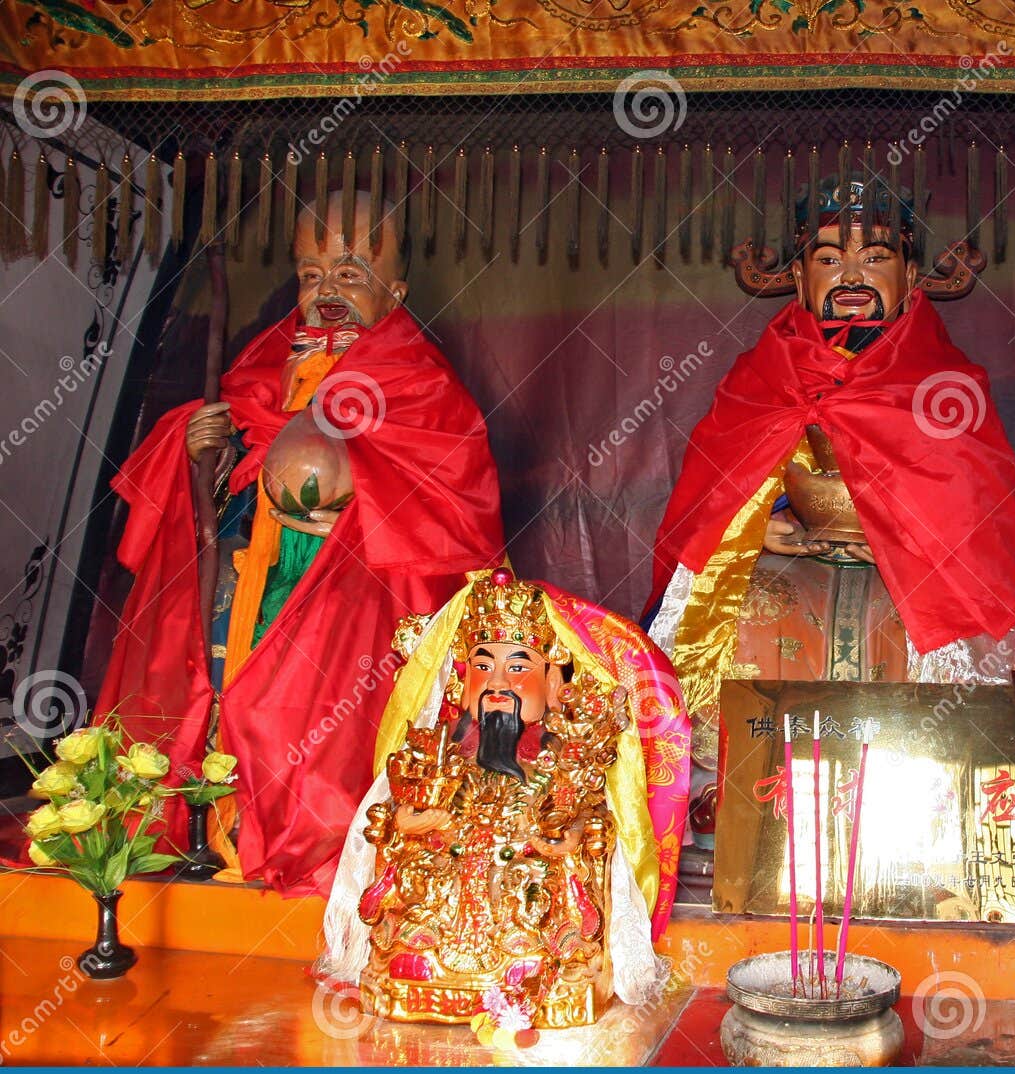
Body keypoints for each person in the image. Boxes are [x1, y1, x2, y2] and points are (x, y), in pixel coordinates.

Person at [96, 191, 504, 894]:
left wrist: (352, 484)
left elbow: (453, 504)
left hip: (349, 588)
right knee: (211, 679)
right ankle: (210, 827)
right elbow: (218, 456)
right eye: (313, 275)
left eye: (349, 274)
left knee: (296, 711)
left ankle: (304, 836)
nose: (328, 292)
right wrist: (195, 441)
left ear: (394, 290)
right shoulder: (264, 363)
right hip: (240, 569)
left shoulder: (422, 381)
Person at [648, 175, 1015, 785]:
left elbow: (973, 509)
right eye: (830, 259)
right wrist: (764, 525)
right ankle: (751, 800)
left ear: (912, 276)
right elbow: (721, 490)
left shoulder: (947, 383)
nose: (852, 277)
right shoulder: (762, 372)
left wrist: (899, 533)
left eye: (875, 258)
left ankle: (921, 802)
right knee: (738, 615)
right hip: (791, 559)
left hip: (918, 574)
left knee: (931, 641)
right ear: (799, 276)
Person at [318, 567, 691, 1030]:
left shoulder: (567, 753)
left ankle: (551, 974)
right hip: (442, 904)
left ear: (553, 683)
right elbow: (390, 818)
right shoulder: (438, 750)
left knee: (544, 939)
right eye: (482, 666)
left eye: (517, 667)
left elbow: (596, 822)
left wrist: (568, 836)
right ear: (461, 680)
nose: (497, 684)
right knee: (409, 948)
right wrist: (409, 826)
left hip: (527, 905)